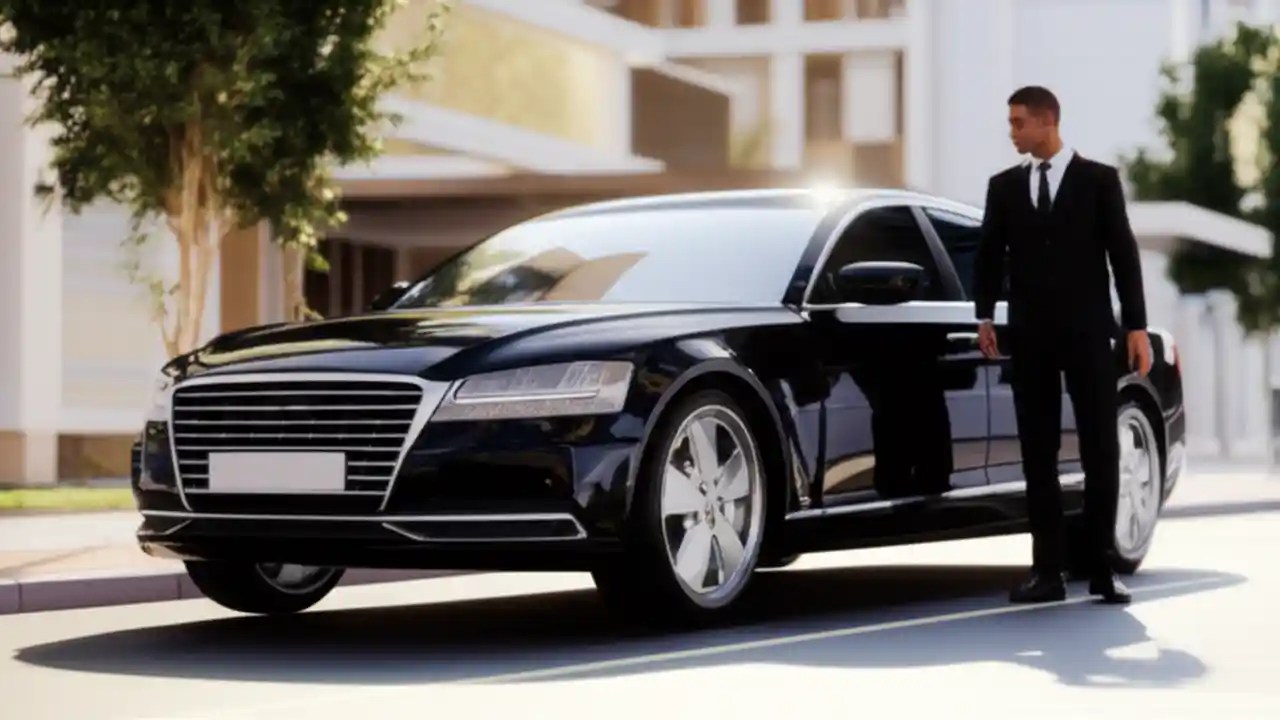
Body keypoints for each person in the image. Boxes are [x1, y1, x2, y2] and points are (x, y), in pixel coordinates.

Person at [973, 86, 1153, 605]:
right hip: (1030, 337)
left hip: (1089, 335)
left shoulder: (1099, 181)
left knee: (1100, 449)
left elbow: (1123, 254)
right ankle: (1047, 571)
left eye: (1018, 122)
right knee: (1038, 452)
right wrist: (984, 315)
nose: (1012, 132)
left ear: (1047, 122)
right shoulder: (1004, 187)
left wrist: (1136, 326)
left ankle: (1101, 568)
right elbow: (988, 254)